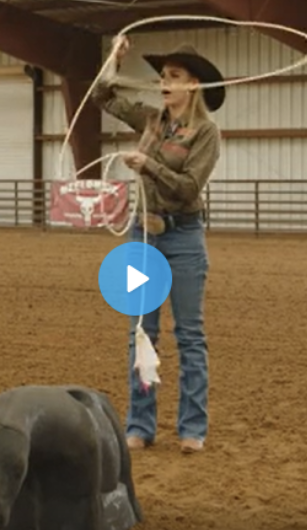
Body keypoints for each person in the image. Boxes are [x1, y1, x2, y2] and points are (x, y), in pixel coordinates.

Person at [90, 36, 225, 454]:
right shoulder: (150, 120)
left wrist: (149, 164)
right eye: (163, 75)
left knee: (189, 335)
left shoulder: (206, 133)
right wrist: (113, 60)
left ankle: (192, 428)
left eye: (174, 75)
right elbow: (101, 96)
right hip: (143, 235)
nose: (164, 82)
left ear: (193, 85)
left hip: (183, 236)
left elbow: (188, 188)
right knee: (141, 333)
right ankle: (140, 425)